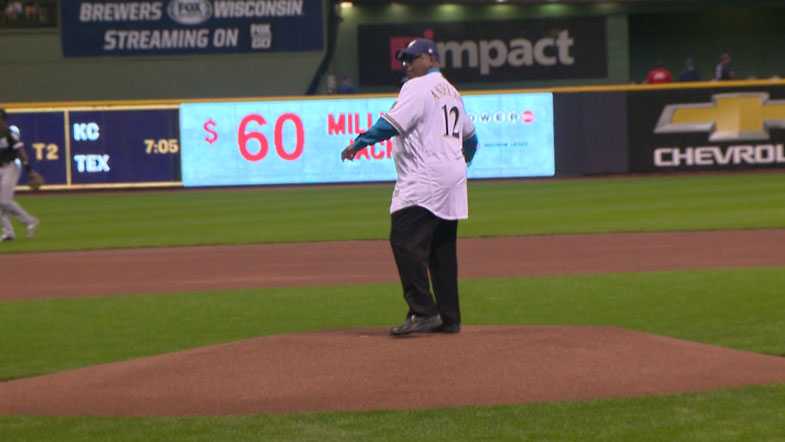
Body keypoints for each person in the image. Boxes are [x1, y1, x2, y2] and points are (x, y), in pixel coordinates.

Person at [340, 38, 479, 336]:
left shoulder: (417, 88)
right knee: (441, 248)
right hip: (451, 178)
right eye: (403, 58)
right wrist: (459, 165)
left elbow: (391, 124)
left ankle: (423, 311)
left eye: (412, 58)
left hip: (424, 177)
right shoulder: (451, 91)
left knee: (404, 239)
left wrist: (359, 142)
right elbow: (471, 138)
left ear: (430, 58)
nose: (405, 63)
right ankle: (449, 317)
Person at [0, 109, 39, 241]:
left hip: (11, 167)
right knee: (2, 202)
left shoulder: (9, 134)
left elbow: (20, 150)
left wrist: (29, 170)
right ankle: (8, 233)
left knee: (4, 201)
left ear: (3, 120)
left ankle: (30, 221)